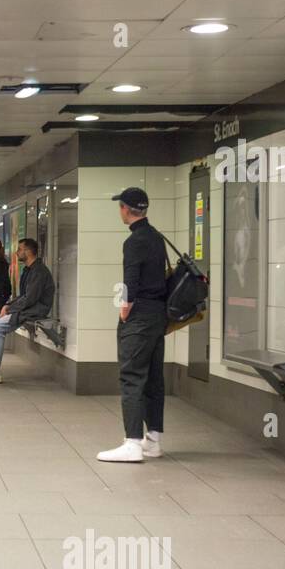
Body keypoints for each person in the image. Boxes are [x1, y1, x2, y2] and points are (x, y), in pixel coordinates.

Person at [98, 187, 168, 463]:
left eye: (121, 207)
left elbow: (131, 280)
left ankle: (132, 442)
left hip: (139, 316)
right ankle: (154, 440)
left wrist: (124, 309)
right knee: (153, 377)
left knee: (131, 376)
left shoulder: (134, 241)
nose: (120, 212)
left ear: (126, 209)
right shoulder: (156, 237)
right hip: (158, 315)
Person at [0, 238, 54, 384]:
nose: (17, 252)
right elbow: (24, 296)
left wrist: (9, 308)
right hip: (26, 308)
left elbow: (30, 298)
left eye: (20, 249)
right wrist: (8, 305)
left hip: (34, 310)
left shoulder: (39, 271)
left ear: (28, 251)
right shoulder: (30, 269)